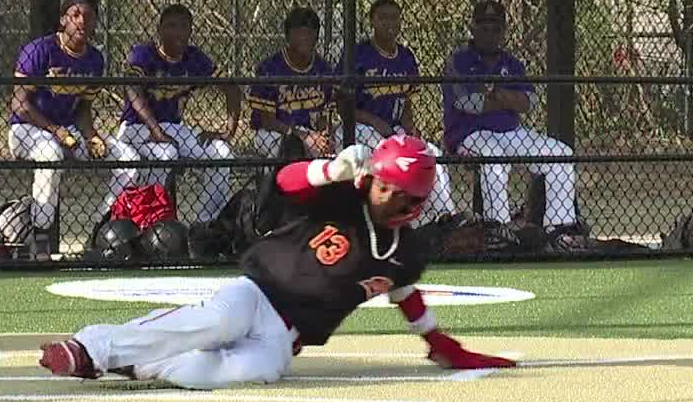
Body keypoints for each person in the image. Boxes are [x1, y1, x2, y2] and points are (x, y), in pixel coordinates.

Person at [38, 134, 516, 388]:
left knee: (241, 372)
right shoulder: (339, 198)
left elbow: (406, 296)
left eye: (396, 191)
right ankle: (92, 348)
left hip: (285, 339)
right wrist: (329, 169)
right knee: (215, 323)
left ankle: (138, 364)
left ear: (416, 203)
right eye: (381, 183)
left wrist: (440, 343)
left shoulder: (405, 252)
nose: (384, 193)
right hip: (257, 292)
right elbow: (287, 181)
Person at [8, 0, 140, 259]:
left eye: (88, 16)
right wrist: (54, 130)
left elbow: (83, 108)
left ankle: (101, 228)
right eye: (76, 14)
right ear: (63, 19)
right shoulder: (39, 50)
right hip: (26, 130)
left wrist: (92, 135)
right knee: (50, 153)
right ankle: (41, 237)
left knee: (127, 158)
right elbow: (19, 104)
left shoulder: (94, 59)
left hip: (67, 131)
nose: (82, 21)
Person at [442, 0, 587, 246]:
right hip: (469, 133)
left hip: (511, 132)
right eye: (484, 27)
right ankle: (498, 232)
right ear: (473, 28)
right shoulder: (460, 61)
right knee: (494, 157)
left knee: (561, 154)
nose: (490, 34)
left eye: (495, 28)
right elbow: (469, 104)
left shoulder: (511, 63)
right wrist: (509, 99)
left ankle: (560, 232)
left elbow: (529, 103)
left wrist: (497, 96)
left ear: (504, 31)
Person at [117, 3, 242, 222]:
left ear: (191, 31)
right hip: (137, 128)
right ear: (160, 29)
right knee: (166, 154)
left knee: (222, 154)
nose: (178, 32)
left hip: (174, 129)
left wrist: (228, 131)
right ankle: (152, 221)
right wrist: (155, 130)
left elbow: (232, 88)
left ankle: (205, 224)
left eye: (184, 27)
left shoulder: (194, 58)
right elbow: (132, 89)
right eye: (171, 26)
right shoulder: (144, 53)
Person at [353, 0, 456, 224]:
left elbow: (407, 102)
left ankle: (446, 217)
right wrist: (373, 121)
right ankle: (402, 218)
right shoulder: (358, 54)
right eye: (383, 17)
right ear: (372, 21)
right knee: (390, 159)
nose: (390, 22)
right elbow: (344, 106)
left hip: (393, 129)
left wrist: (411, 131)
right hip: (360, 127)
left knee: (430, 153)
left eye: (394, 17)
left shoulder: (406, 57)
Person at [249, 6, 337, 158]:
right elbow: (267, 121)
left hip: (309, 131)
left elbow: (324, 115)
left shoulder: (322, 68)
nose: (305, 38)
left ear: (316, 36)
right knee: (293, 148)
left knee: (342, 146)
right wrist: (302, 136)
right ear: (288, 36)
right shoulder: (269, 68)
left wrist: (324, 135)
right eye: (298, 32)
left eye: (309, 32)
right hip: (274, 132)